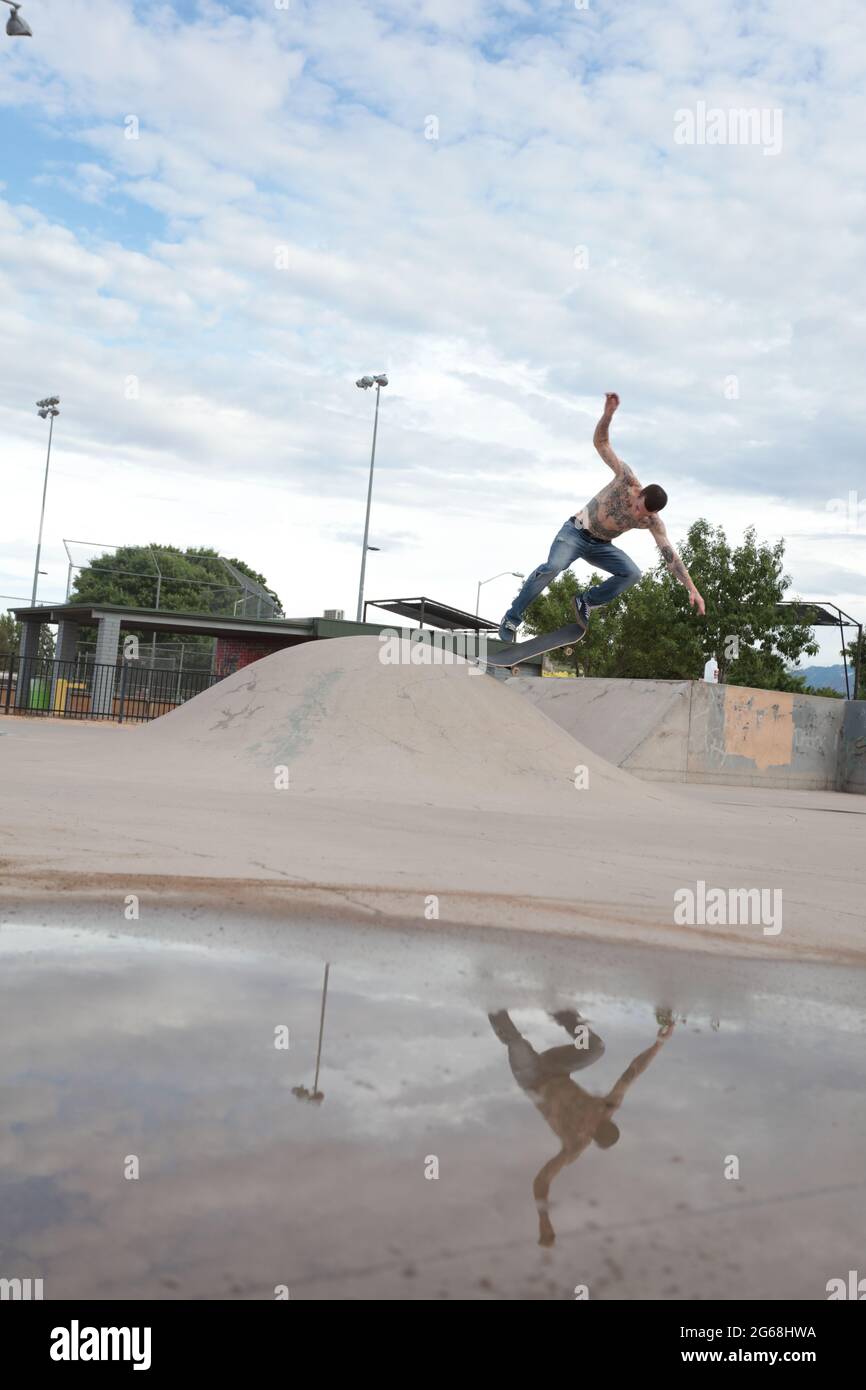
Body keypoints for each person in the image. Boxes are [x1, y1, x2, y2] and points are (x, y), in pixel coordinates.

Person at [499, 392, 706, 642]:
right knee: (552, 567)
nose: (638, 514)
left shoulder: (652, 522)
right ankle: (512, 618)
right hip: (575, 532)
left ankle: (585, 601)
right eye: (639, 507)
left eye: (646, 513)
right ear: (639, 492)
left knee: (632, 573)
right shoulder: (625, 478)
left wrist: (692, 589)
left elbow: (670, 556)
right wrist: (607, 415)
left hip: (601, 547)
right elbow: (601, 443)